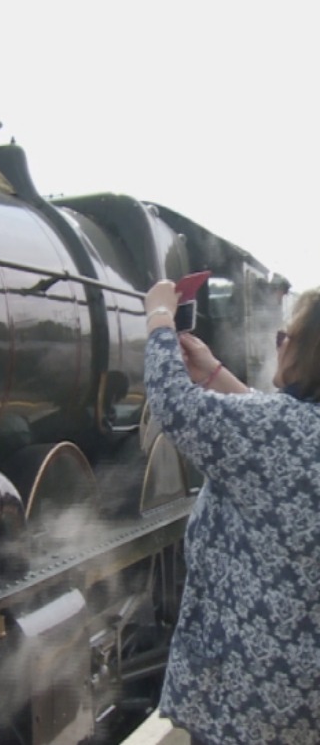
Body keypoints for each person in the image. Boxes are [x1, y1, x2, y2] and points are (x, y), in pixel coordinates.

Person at [143, 280, 320, 743]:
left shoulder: (274, 430)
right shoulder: (294, 429)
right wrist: (215, 373)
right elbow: (274, 437)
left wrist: (159, 318)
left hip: (253, 691)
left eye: (284, 336)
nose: (277, 344)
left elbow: (173, 404)